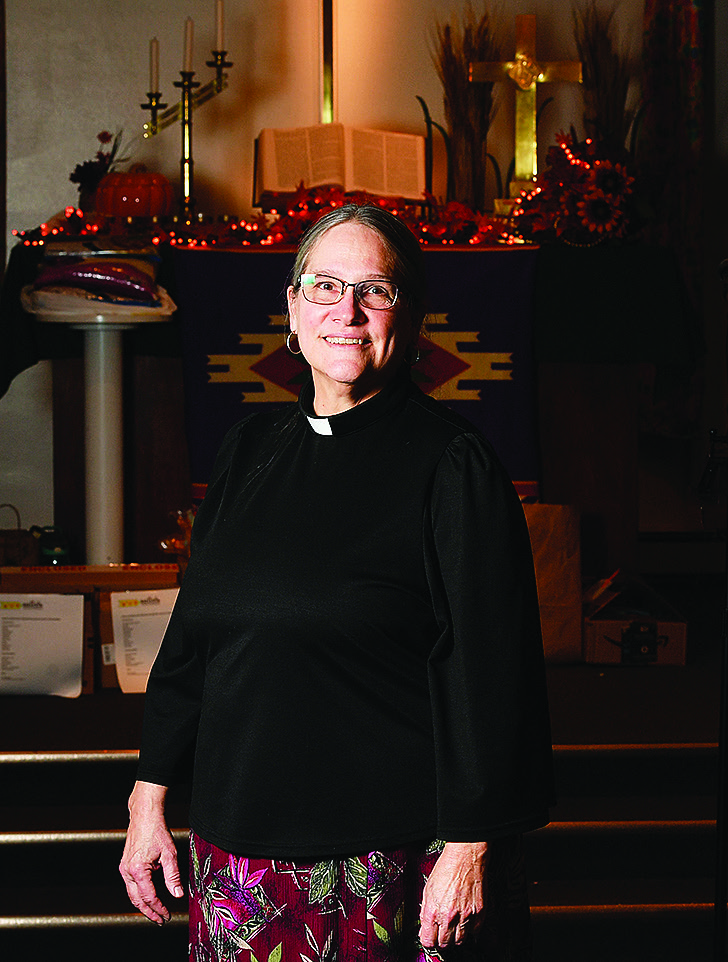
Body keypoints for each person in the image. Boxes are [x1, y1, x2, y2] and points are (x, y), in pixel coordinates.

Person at [119, 204, 554, 961]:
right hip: (239, 854)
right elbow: (195, 638)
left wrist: (471, 847)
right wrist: (149, 796)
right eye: (324, 286)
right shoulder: (249, 446)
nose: (346, 312)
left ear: (410, 315)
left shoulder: (451, 463)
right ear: (291, 307)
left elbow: (492, 669)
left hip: (388, 854)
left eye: (374, 291)